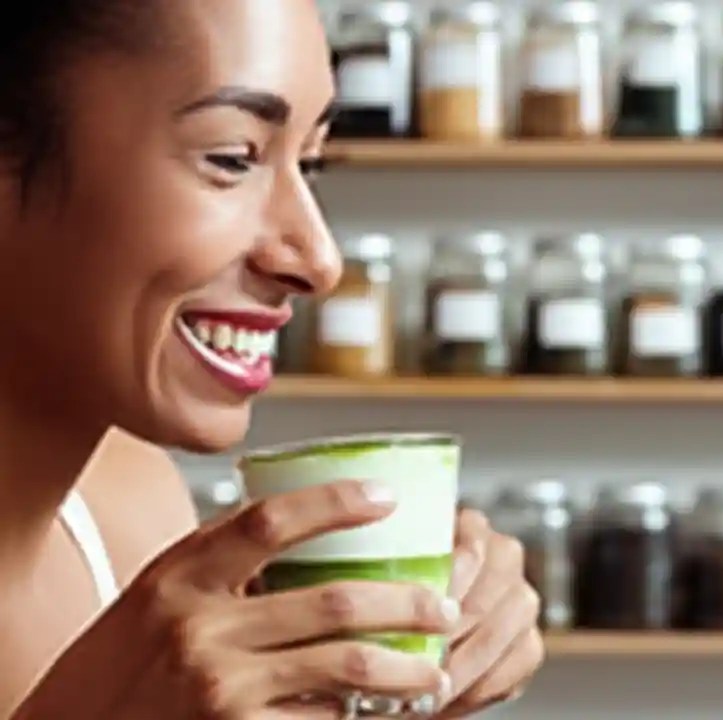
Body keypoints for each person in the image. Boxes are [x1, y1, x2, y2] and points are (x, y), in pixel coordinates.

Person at [0, 1, 543, 717]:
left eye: (311, 164)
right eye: (232, 158)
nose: (319, 261)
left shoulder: (130, 501)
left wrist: (357, 668)